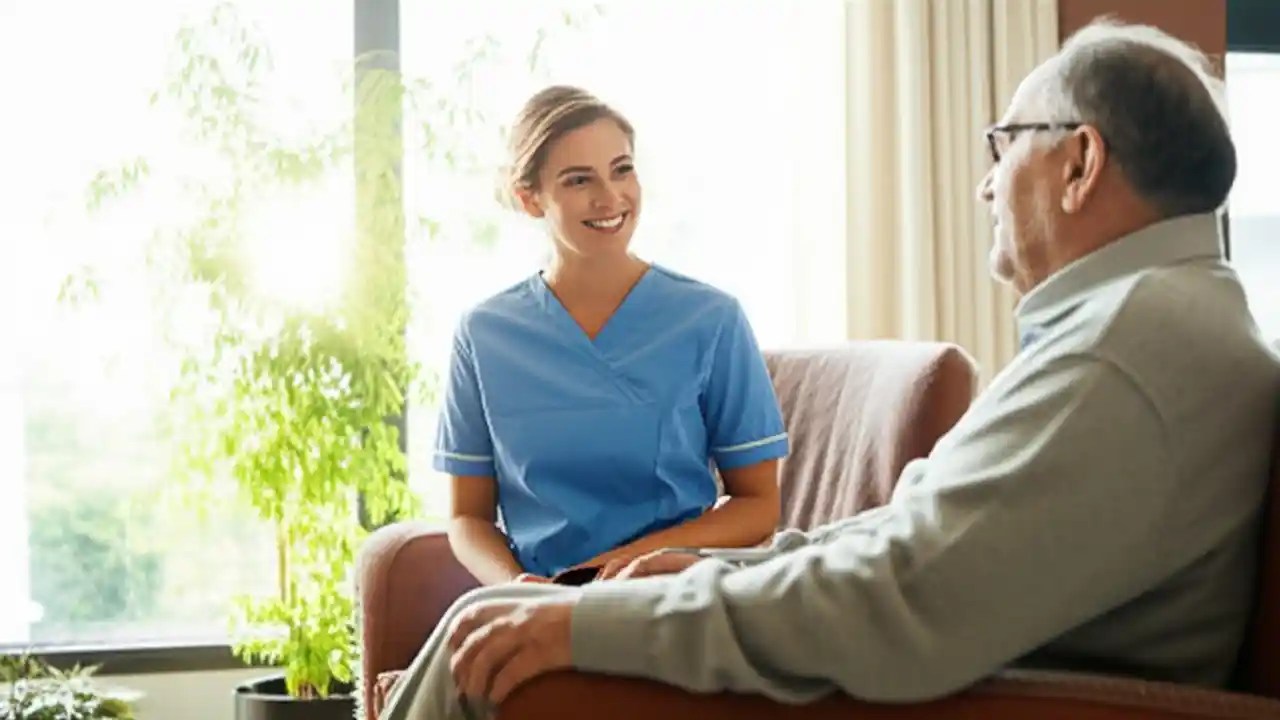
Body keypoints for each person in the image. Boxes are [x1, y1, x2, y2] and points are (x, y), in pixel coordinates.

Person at [379, 20, 1280, 720]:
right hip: (961, 668)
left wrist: (596, 618)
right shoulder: (1145, 324)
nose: (985, 184)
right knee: (484, 617)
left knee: (479, 633)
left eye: (1004, 146)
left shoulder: (1127, 350)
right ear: (532, 198)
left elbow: (901, 601)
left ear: (1078, 162)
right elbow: (913, 544)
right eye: (577, 180)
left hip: (985, 694)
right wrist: (708, 574)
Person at [435, 85, 788, 587]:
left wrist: (625, 565)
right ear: (530, 199)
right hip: (538, 601)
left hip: (671, 591)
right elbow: (468, 518)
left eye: (622, 169)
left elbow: (758, 504)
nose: (610, 197)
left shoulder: (711, 319)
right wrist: (515, 588)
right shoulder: (485, 335)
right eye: (579, 180)